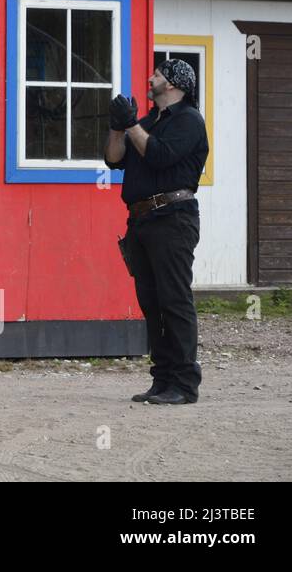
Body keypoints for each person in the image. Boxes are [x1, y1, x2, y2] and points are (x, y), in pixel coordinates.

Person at [105, 59, 208, 405]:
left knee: (175, 300)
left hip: (173, 218)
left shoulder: (189, 121)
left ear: (175, 85)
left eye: (159, 75)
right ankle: (163, 379)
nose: (151, 78)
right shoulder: (149, 122)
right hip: (141, 221)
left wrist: (132, 124)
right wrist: (119, 126)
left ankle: (184, 382)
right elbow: (112, 157)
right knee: (151, 301)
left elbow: (160, 155)